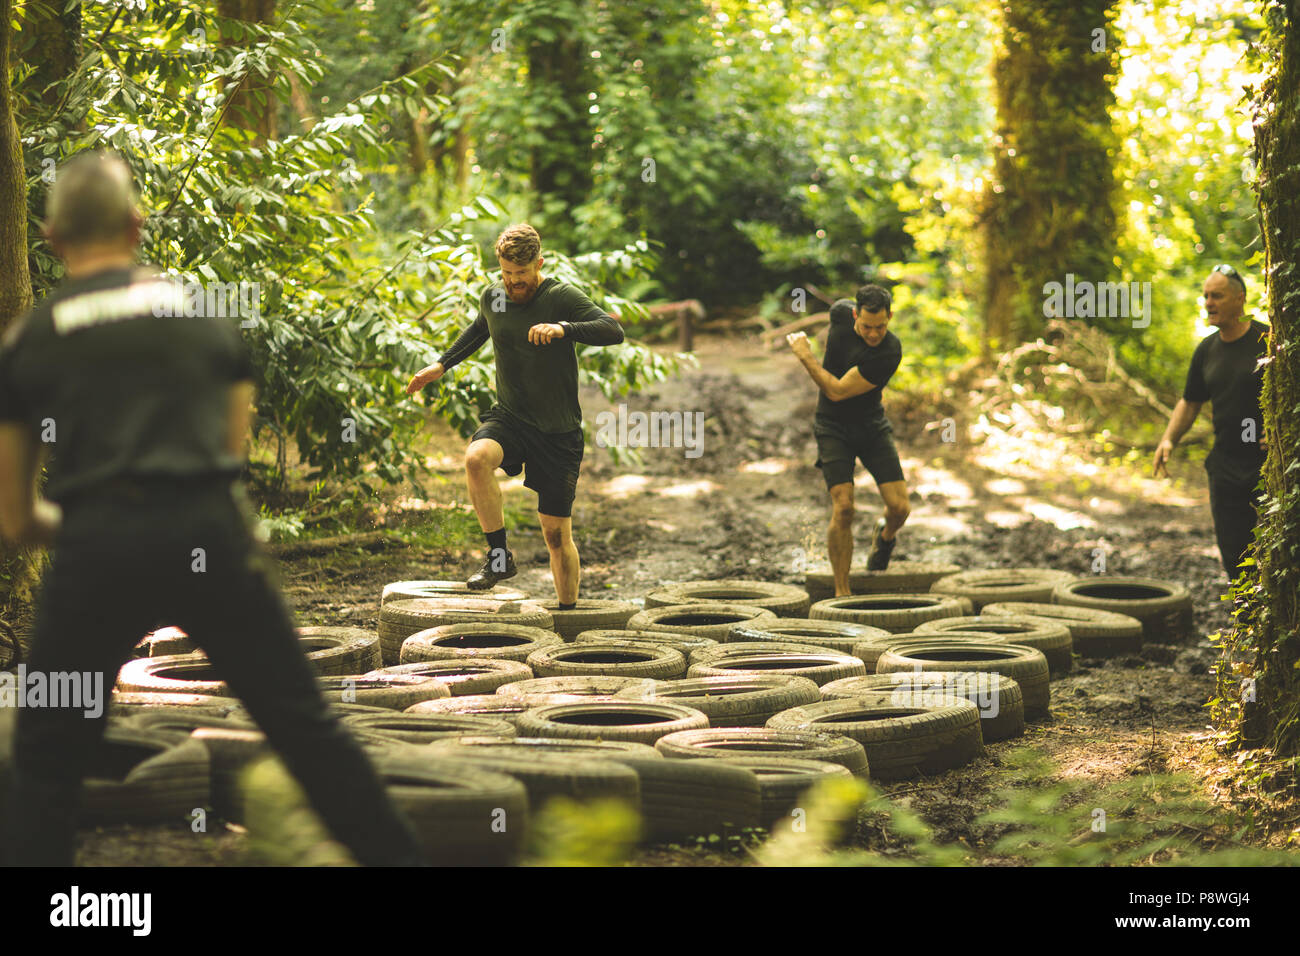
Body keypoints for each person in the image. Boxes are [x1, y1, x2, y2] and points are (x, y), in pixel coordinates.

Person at [0, 151, 425, 866]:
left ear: (50, 239)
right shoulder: (202, 316)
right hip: (209, 539)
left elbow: (14, 517)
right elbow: (231, 455)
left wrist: (82, 529)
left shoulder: (29, 341)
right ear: (138, 227)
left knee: (46, 757)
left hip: (96, 550)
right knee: (305, 727)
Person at [405, 224, 624, 605]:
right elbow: (478, 330)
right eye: (506, 273)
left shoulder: (559, 296)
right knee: (476, 458)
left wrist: (563, 328)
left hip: (557, 432)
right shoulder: (495, 297)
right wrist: (440, 365)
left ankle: (568, 617)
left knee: (556, 536)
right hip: (510, 417)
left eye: (521, 274)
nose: (512, 282)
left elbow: (612, 330)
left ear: (538, 264)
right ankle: (498, 557)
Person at [787, 284, 910, 596]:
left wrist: (805, 357)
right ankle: (842, 592)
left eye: (880, 326)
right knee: (844, 508)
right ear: (855, 314)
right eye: (867, 326)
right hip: (832, 427)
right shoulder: (839, 313)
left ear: (890, 317)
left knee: (899, 508)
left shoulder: (888, 352)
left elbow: (838, 391)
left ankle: (884, 538)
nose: (873, 334)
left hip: (871, 427)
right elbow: (833, 401)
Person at [1153, 264, 1269, 578]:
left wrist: (1283, 435)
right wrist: (1168, 440)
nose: (1208, 303)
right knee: (1234, 555)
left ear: (1240, 299)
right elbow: (1190, 402)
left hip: (1269, 464)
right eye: (1205, 296)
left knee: (1280, 553)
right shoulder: (1207, 350)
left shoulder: (1268, 341)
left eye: (1216, 296)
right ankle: (1247, 622)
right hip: (1226, 466)